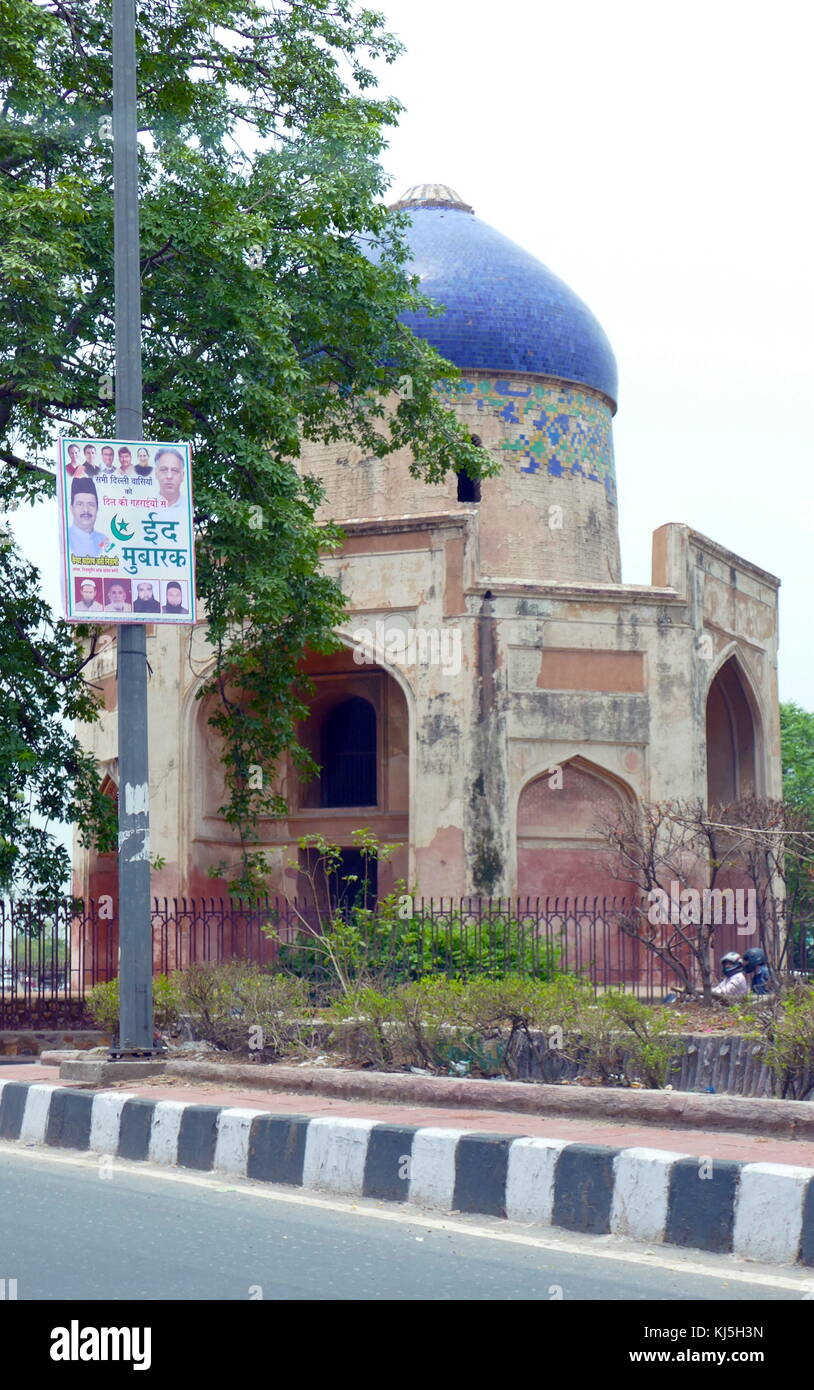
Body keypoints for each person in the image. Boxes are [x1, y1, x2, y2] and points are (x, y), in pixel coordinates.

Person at [68, 478, 110, 558]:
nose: (86, 510)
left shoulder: (104, 540)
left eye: (91, 504)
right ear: (71, 508)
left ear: (97, 508)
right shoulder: (65, 539)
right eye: (80, 504)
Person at [155, 448, 185, 516]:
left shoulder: (188, 505)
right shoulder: (145, 505)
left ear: (182, 475)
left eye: (174, 470)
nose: (169, 476)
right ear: (156, 474)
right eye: (164, 470)